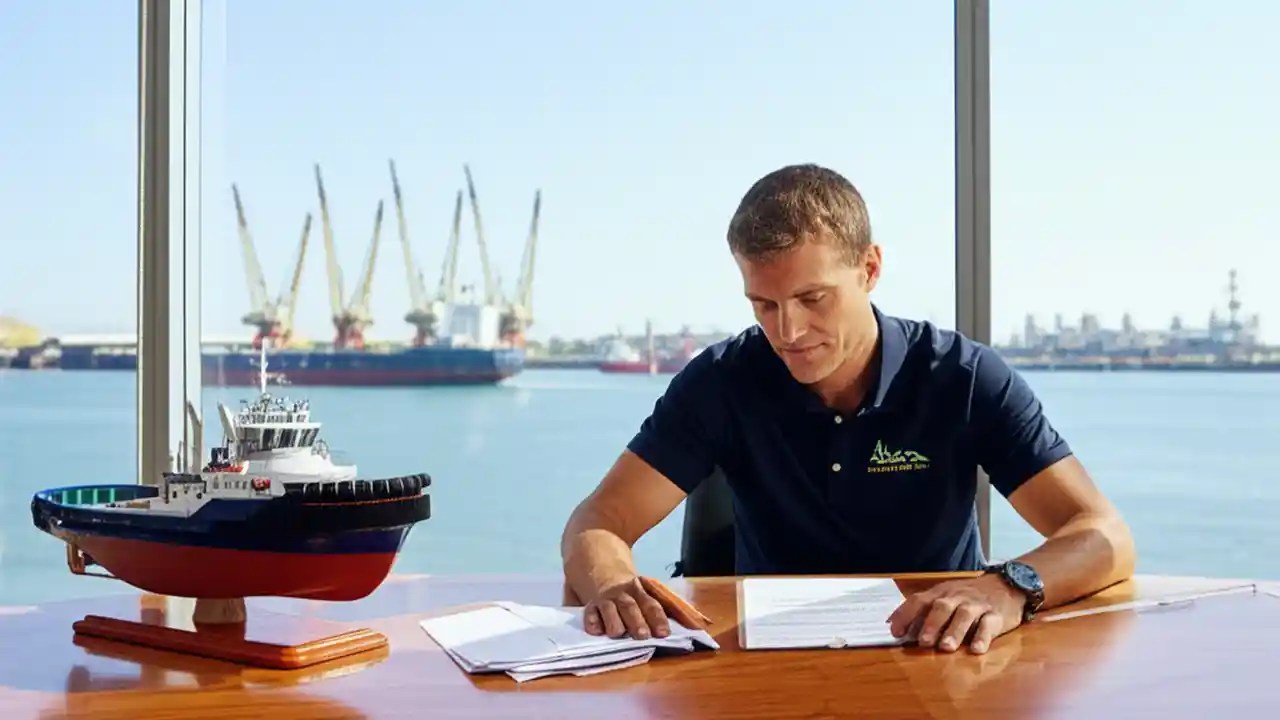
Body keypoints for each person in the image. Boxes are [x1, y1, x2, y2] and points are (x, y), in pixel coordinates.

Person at [560, 163, 1135, 654]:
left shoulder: (962, 377)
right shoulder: (721, 381)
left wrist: (1008, 587)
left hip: (938, 658)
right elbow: (597, 522)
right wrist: (613, 584)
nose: (788, 330)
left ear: (870, 269)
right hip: (765, 669)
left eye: (813, 299)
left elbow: (1105, 535)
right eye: (764, 304)